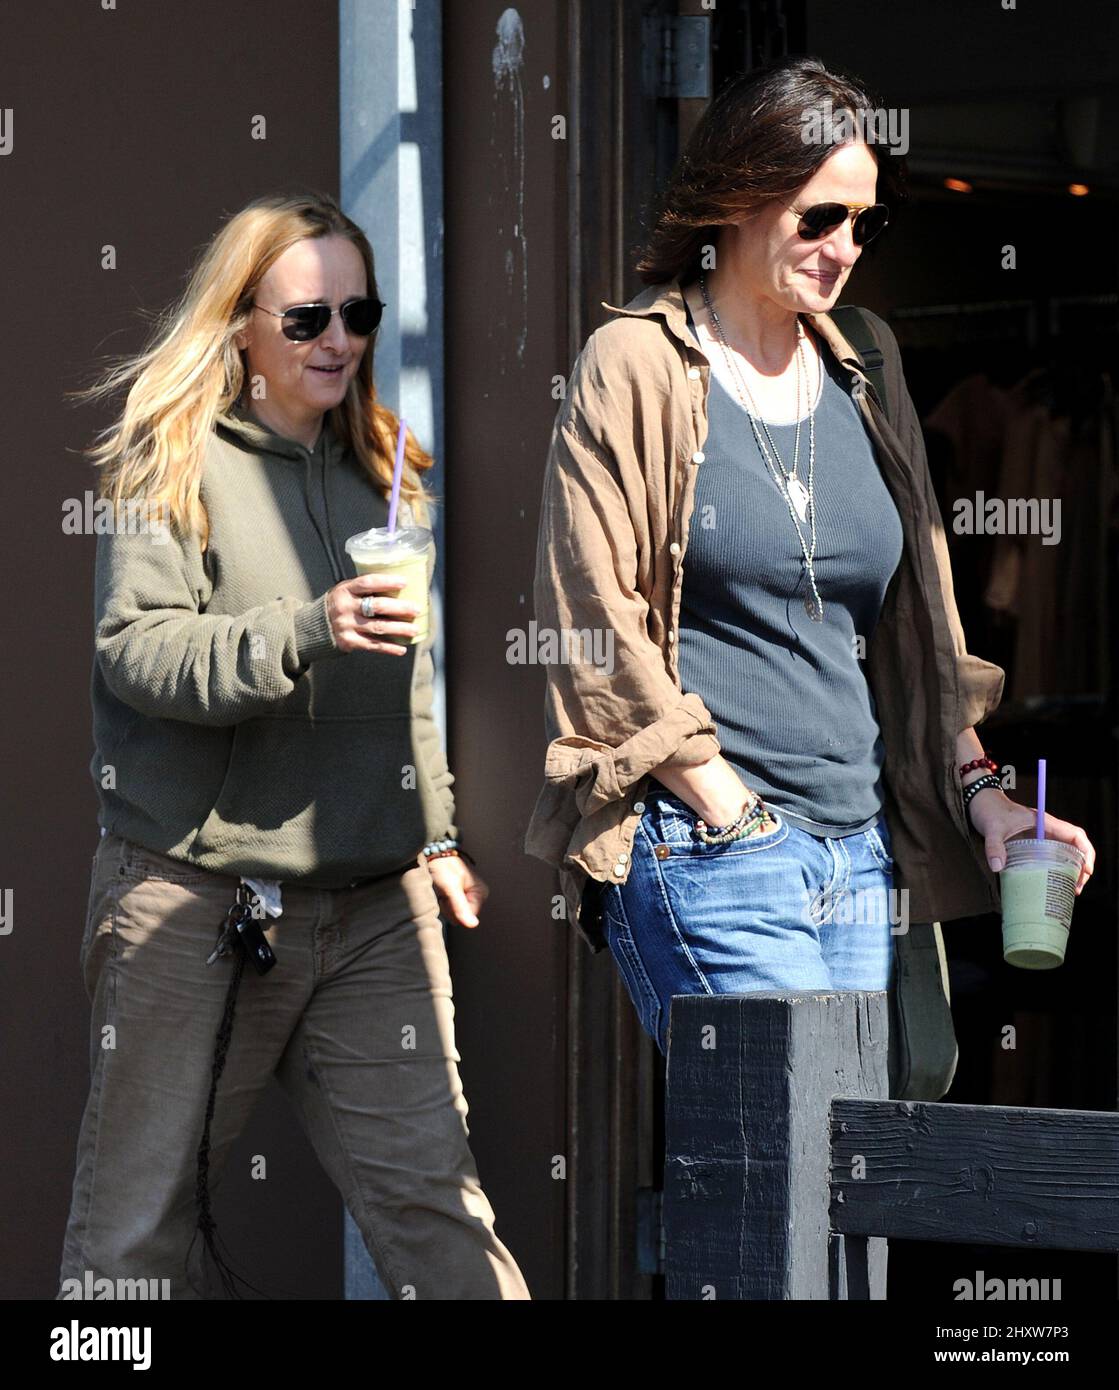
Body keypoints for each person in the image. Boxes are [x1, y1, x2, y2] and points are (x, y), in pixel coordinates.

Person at [525, 58, 1095, 1090]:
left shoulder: (863, 360)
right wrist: (725, 809)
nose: (844, 250)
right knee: (781, 1183)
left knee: (848, 1206)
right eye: (821, 218)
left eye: (865, 226)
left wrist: (985, 796)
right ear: (741, 196)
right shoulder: (637, 361)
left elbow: (919, 621)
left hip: (864, 855)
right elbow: (591, 621)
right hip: (714, 846)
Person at [60, 191, 529, 1300]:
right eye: (308, 318)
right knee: (136, 1235)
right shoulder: (166, 461)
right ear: (239, 325)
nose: (340, 341)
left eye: (357, 314)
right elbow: (139, 652)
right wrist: (307, 627)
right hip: (193, 901)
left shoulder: (383, 467)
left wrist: (436, 831)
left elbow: (409, 676)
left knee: (439, 1215)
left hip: (372, 906)